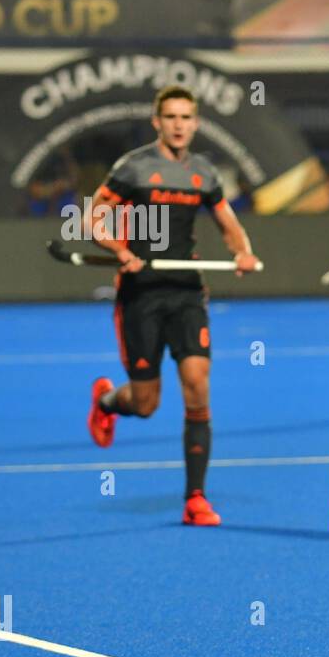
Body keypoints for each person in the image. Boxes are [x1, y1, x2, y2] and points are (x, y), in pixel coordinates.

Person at [84, 85, 261, 526]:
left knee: (197, 383)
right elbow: (94, 217)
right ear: (157, 122)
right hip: (140, 294)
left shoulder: (203, 172)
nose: (179, 125)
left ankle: (195, 498)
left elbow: (228, 222)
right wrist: (119, 249)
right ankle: (107, 401)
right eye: (171, 117)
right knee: (145, 404)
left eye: (186, 117)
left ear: (195, 123)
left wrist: (242, 251)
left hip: (186, 291)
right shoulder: (134, 167)